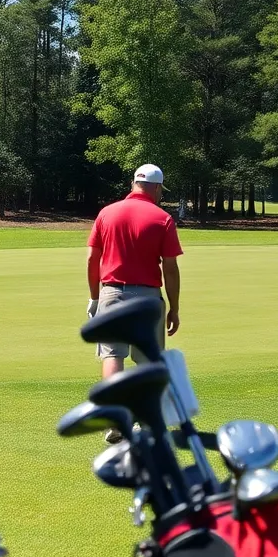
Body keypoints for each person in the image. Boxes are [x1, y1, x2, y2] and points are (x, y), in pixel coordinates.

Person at [87, 164, 183, 438]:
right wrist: (174, 307)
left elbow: (93, 258)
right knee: (147, 361)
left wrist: (95, 297)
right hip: (148, 297)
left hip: (112, 292)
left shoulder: (107, 213)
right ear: (156, 188)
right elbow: (170, 267)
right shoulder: (162, 218)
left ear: (133, 184)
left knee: (113, 355)